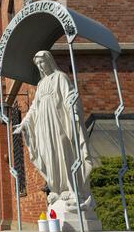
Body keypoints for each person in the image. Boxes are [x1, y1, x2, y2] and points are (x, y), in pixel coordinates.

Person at [13, 50, 95, 212]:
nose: (41, 66)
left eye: (42, 62)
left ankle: (73, 189)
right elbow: (34, 109)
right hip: (44, 126)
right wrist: (23, 123)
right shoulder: (41, 84)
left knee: (64, 152)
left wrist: (74, 106)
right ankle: (56, 188)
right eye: (38, 65)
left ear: (49, 61)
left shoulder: (60, 77)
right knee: (49, 156)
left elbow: (70, 96)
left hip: (58, 123)